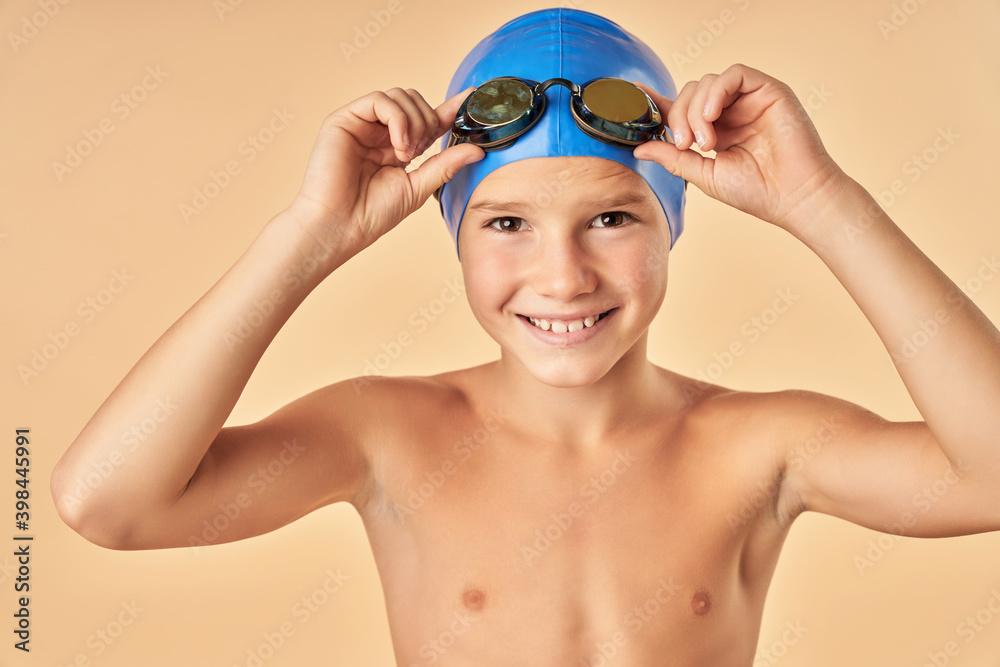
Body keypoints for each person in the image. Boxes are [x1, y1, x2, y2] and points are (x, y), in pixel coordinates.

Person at [50, 7, 1000, 666]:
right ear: (451, 231)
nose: (563, 277)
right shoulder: (388, 434)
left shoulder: (759, 446)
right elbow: (107, 500)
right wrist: (307, 236)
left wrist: (819, 202)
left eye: (613, 219)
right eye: (506, 224)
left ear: (674, 221)